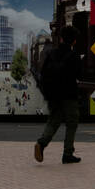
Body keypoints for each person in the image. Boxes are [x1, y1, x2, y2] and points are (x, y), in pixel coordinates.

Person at [34, 26, 82, 164]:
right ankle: (67, 153)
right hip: (69, 95)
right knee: (72, 122)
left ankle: (41, 143)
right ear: (73, 41)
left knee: (54, 121)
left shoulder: (51, 53)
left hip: (53, 95)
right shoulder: (74, 55)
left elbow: (43, 73)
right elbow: (79, 74)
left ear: (61, 39)